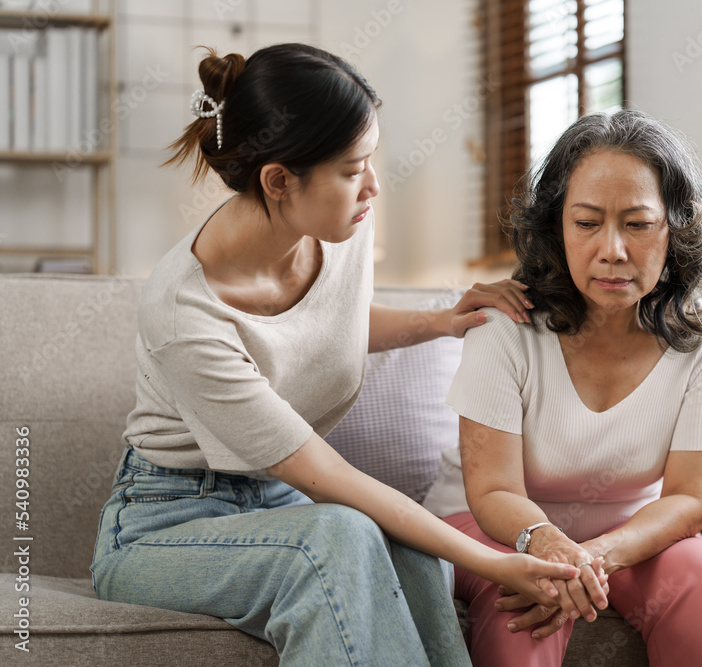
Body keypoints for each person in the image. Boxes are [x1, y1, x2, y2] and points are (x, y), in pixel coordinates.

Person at [89, 43, 589, 666]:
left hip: (272, 501)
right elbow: (328, 479)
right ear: (279, 181)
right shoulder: (185, 313)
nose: (373, 185)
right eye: (353, 169)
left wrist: (440, 321)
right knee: (337, 534)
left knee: (413, 549)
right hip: (165, 526)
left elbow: (319, 325)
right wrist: (496, 561)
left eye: (370, 158)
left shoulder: (340, 223)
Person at [422, 109, 702, 665]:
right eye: (587, 222)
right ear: (556, 229)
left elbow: (689, 499)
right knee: (522, 601)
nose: (612, 250)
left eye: (638, 224)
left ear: (677, 228)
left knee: (701, 576)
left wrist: (593, 556)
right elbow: (494, 489)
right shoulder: (504, 326)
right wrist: (548, 547)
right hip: (494, 524)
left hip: (626, 531)